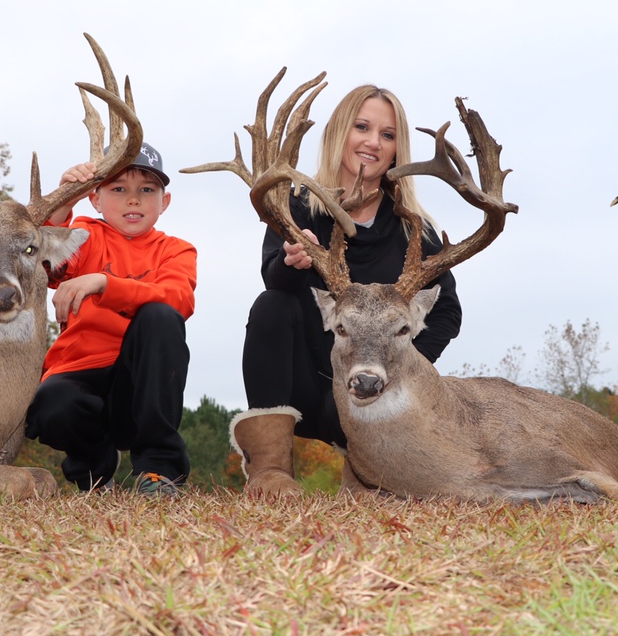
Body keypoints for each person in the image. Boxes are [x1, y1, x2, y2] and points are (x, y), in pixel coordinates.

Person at [230, 84, 463, 496]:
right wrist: (291, 260)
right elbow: (275, 282)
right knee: (269, 307)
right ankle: (270, 471)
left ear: (397, 151)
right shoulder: (296, 207)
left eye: (387, 135)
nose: (373, 142)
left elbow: (446, 312)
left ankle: (369, 472)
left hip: (377, 393)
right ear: (339, 132)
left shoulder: (414, 230)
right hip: (307, 386)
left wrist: (404, 363)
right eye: (362, 127)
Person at [24, 143, 197, 495]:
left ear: (164, 202)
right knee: (52, 405)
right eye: (118, 189)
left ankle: (158, 470)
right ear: (95, 199)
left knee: (161, 316)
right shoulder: (83, 235)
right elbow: (37, 263)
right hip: (81, 373)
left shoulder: (175, 250)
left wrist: (103, 283)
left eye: (146, 190)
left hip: (139, 386)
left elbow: (178, 298)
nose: (133, 200)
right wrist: (62, 203)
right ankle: (95, 471)